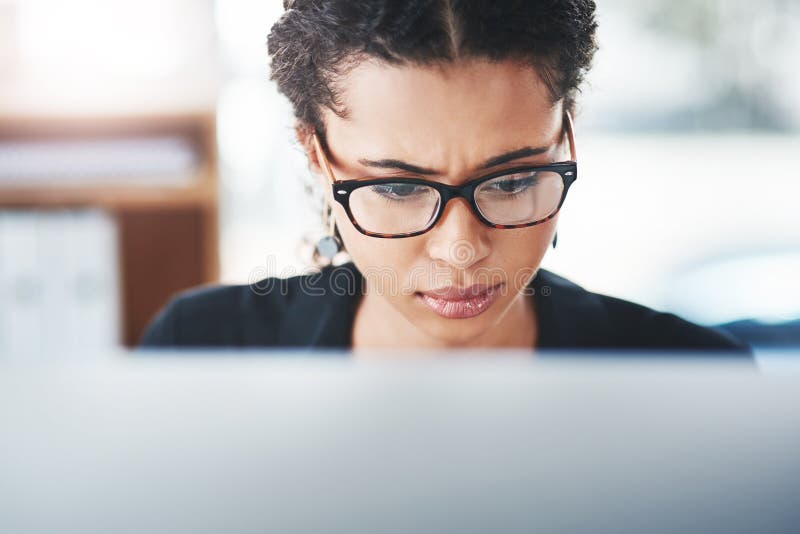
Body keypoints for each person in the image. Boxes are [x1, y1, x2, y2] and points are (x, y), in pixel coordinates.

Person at [139, 0, 748, 353]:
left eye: (511, 182)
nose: (460, 249)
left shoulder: (694, 378)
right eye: (399, 188)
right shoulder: (199, 351)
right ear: (315, 154)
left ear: (567, 136)